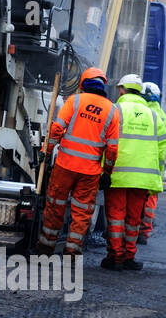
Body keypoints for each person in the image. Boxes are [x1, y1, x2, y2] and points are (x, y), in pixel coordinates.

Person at [37, 66, 120, 258]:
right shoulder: (112, 111)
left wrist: (46, 151)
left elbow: (56, 129)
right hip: (90, 173)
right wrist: (107, 172)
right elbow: (113, 148)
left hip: (65, 166)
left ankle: (44, 249)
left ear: (83, 84)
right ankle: (72, 252)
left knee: (55, 206)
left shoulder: (75, 101)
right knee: (82, 213)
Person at [102, 73, 166, 271]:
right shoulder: (155, 116)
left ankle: (116, 257)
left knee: (116, 217)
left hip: (118, 175)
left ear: (122, 89)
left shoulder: (115, 110)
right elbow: (162, 151)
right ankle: (129, 256)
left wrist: (103, 171)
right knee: (133, 220)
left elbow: (104, 142)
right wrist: (155, 178)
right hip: (143, 179)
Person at [139, 81, 166, 243]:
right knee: (150, 204)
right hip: (155, 169)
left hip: (142, 164)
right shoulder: (161, 114)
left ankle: (134, 232)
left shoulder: (146, 113)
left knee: (136, 203)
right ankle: (144, 232)